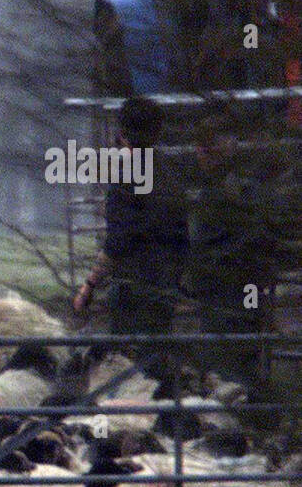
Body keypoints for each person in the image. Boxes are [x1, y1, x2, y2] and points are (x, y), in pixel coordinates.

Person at [73, 96, 188, 390]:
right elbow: (182, 232)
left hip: (134, 288)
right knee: (158, 359)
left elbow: (119, 240)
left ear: (122, 132)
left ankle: (133, 419)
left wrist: (89, 285)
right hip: (166, 284)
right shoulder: (171, 172)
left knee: (129, 368)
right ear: (158, 131)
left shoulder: (126, 175)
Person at [186, 118, 277, 398]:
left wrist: (209, 265)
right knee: (239, 348)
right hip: (237, 288)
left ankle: (241, 409)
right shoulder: (231, 186)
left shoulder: (229, 189)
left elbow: (253, 237)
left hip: (231, 289)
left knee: (231, 353)